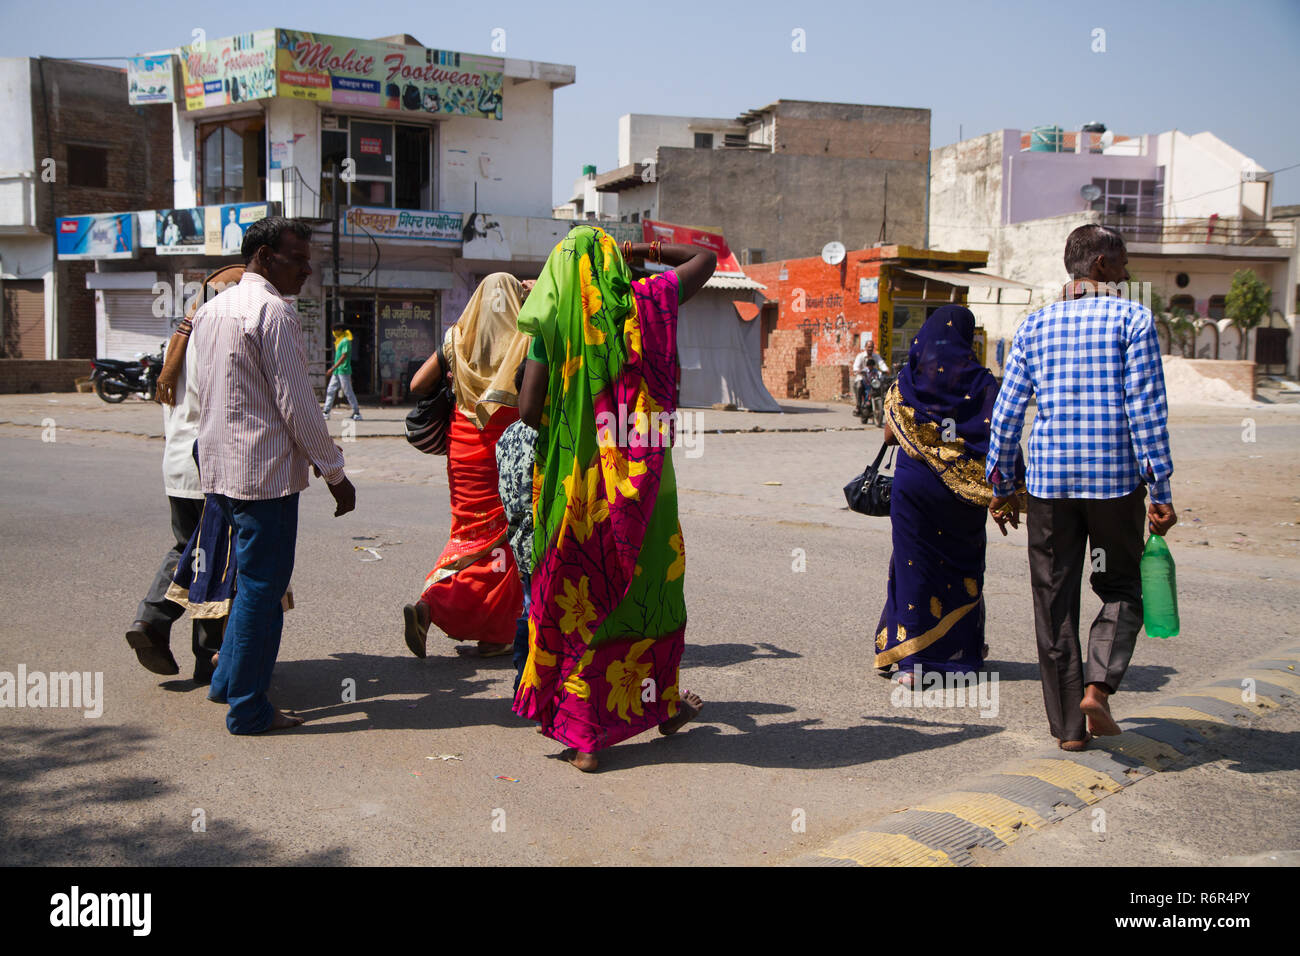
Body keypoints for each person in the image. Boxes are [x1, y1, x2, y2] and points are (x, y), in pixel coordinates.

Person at [512, 227, 714, 772]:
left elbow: (528, 410)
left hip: (576, 489)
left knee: (578, 589)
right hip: (646, 490)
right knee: (651, 590)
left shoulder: (553, 323)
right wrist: (636, 251)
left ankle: (582, 738)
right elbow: (707, 257)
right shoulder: (648, 302)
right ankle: (660, 705)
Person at [986, 224, 1176, 752]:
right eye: (1121, 264)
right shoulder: (1133, 319)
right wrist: (1160, 488)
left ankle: (1069, 730)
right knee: (1121, 588)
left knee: (1053, 600)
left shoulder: (1034, 326)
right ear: (1099, 267)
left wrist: (1001, 483)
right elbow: (1147, 410)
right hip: (1115, 487)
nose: (1128, 274)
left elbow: (1007, 414)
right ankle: (1098, 686)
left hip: (1050, 487)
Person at [190, 217, 357, 734]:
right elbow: (298, 406)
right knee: (263, 589)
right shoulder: (272, 313)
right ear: (263, 257)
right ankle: (249, 707)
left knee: (250, 586)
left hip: (222, 468)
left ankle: (227, 685)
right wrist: (335, 472)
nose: (307, 270)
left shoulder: (212, 311)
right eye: (297, 259)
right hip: (263, 476)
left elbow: (206, 393)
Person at [873, 306, 1023, 687]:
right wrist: (1009, 491)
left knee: (914, 566)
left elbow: (889, 436)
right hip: (963, 497)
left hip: (914, 492)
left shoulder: (908, 379)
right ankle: (960, 654)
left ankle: (910, 661)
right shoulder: (984, 384)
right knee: (961, 569)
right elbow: (1002, 438)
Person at [124, 264, 242, 683]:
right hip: (211, 467)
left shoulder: (182, 336)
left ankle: (154, 623)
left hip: (178, 467)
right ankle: (198, 650)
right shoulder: (219, 336)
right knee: (217, 559)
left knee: (192, 549)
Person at [402, 273, 529, 659]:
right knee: (505, 539)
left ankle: (436, 605)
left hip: (463, 443)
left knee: (470, 529)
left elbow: (417, 385)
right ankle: (490, 629)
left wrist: (456, 382)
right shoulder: (526, 337)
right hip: (507, 446)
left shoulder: (457, 337)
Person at [496, 358, 538, 692]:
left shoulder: (507, 435)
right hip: (546, 540)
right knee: (543, 616)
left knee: (530, 608)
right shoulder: (550, 433)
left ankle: (524, 679)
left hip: (520, 541)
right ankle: (534, 680)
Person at [323, 326, 362, 420]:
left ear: (340, 330)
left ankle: (356, 412)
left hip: (343, 370)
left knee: (348, 391)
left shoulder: (345, 341)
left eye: (335, 330)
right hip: (338, 371)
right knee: (330, 390)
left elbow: (344, 356)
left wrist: (332, 368)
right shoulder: (340, 340)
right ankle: (326, 412)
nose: (333, 332)